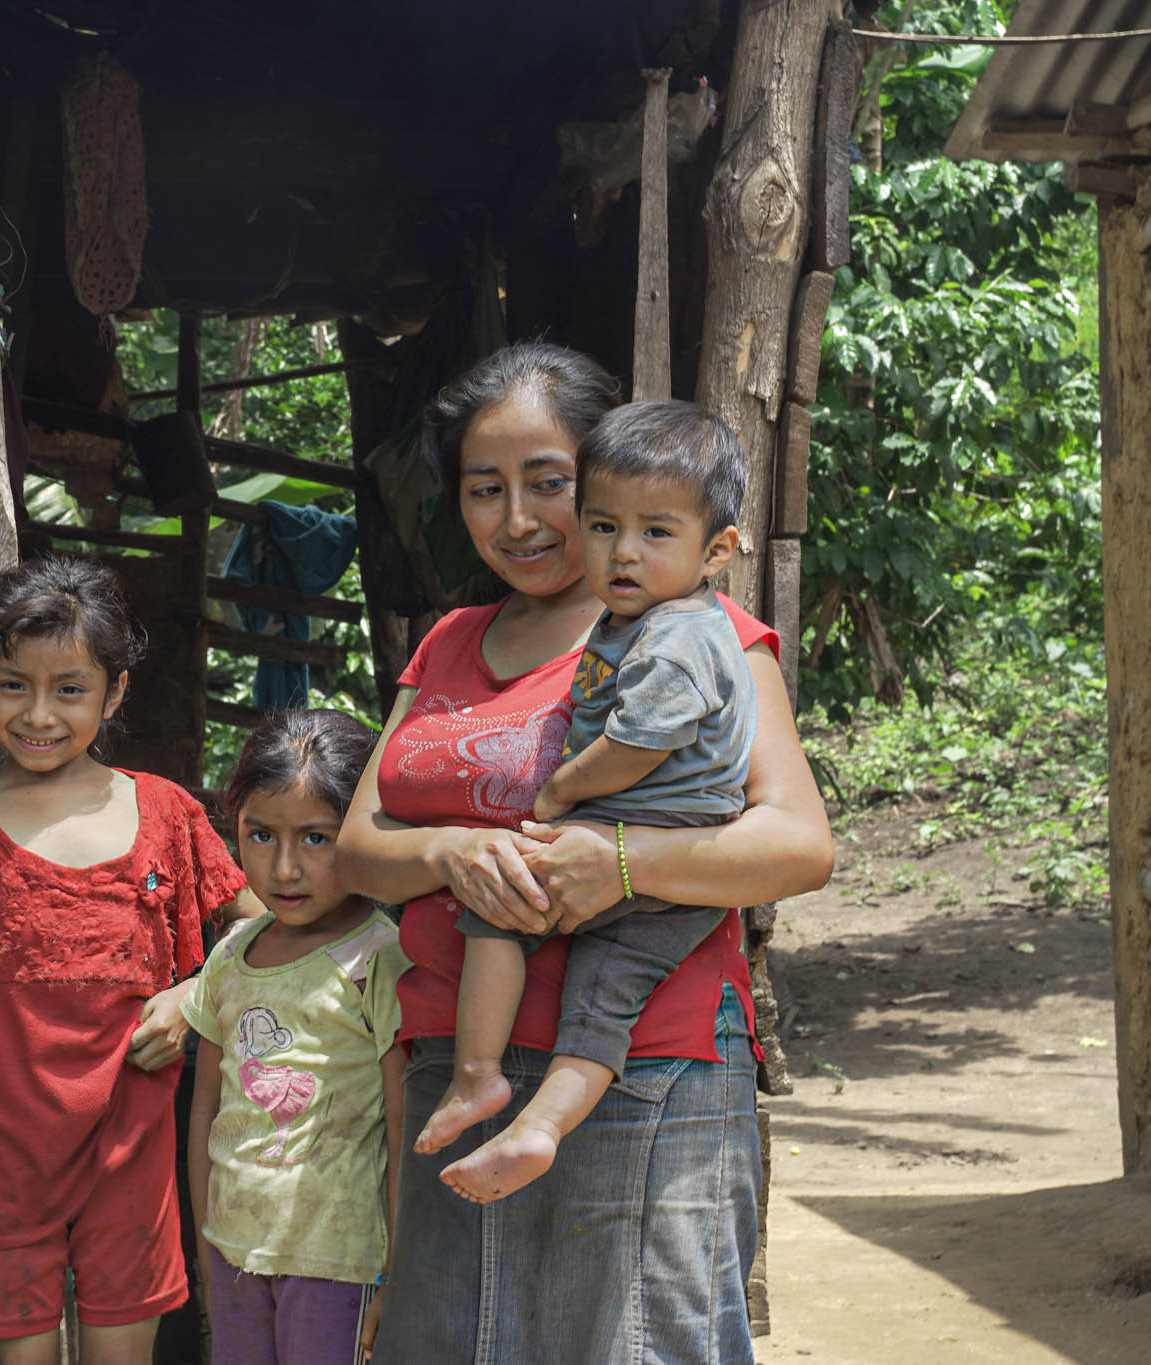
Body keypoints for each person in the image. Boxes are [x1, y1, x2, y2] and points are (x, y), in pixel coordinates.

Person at [338, 343, 832, 1364]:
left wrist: (616, 863)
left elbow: (795, 845)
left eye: (548, 485)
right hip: (453, 1066)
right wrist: (448, 855)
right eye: (484, 489)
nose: (515, 520)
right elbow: (357, 849)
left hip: (640, 1072)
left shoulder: (702, 635)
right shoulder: (447, 643)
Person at [0, 556, 255, 1365]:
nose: (38, 714)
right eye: (13, 685)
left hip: (131, 1149)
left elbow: (261, 930)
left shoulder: (167, 813)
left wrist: (192, 998)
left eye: (69, 689)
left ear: (114, 692)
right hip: (6, 1159)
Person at [420, 399, 757, 1203]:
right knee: (575, 973)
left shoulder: (684, 635)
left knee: (541, 940)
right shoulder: (629, 621)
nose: (624, 553)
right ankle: (514, 1106)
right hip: (639, 853)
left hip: (666, 853)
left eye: (656, 533)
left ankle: (499, 1091)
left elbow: (639, 745)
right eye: (604, 527)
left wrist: (564, 788)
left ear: (718, 551)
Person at [183, 709, 408, 1365]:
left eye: (316, 838)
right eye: (260, 835)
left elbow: (400, 1122)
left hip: (337, 1261)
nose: (284, 867)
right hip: (232, 1251)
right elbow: (206, 1111)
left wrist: (396, 1271)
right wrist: (207, 1244)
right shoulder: (231, 956)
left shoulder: (380, 959)